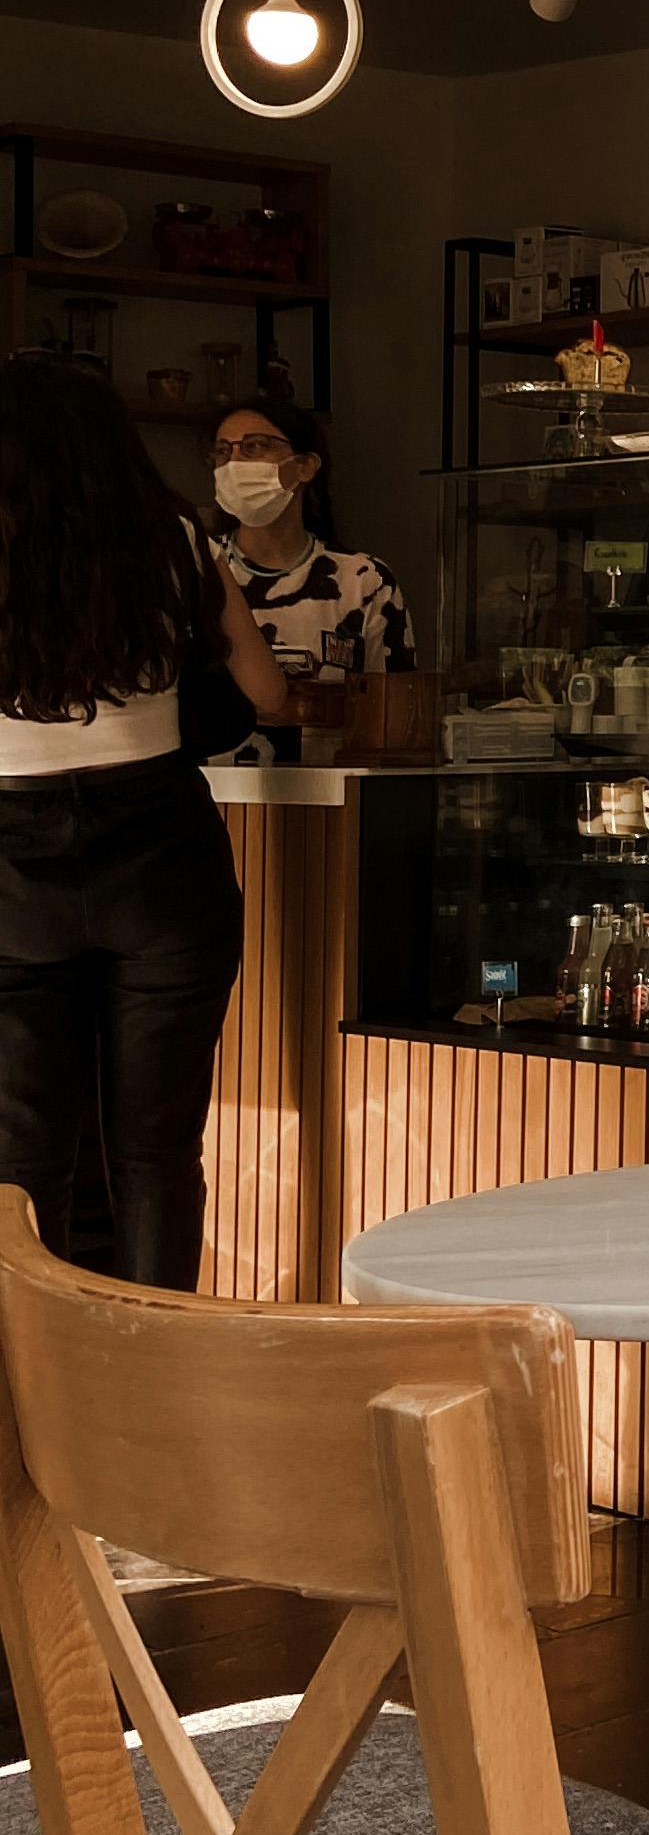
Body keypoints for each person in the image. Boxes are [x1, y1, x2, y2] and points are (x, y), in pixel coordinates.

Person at [0, 355, 290, 1289]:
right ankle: (156, 1378)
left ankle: (23, 1395)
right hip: (160, 853)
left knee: (23, 1157)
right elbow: (265, 692)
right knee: (157, 1152)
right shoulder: (173, 539)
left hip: (10, 868)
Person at [204, 397, 416, 686]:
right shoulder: (197, 569)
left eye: (254, 446)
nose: (234, 464)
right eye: (222, 451)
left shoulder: (364, 581)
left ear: (305, 466)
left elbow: (393, 706)